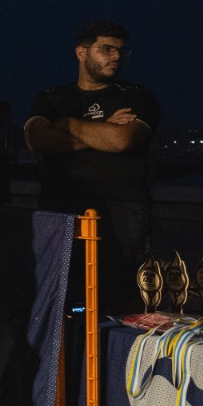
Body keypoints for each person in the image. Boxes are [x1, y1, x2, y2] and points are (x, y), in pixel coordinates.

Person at [24, 21, 159, 311]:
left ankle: (114, 354)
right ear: (81, 52)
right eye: (106, 49)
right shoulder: (52, 97)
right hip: (60, 208)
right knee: (60, 297)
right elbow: (37, 140)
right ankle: (66, 354)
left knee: (120, 296)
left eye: (120, 51)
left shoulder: (135, 96)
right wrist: (102, 128)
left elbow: (122, 139)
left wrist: (69, 125)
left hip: (122, 210)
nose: (116, 56)